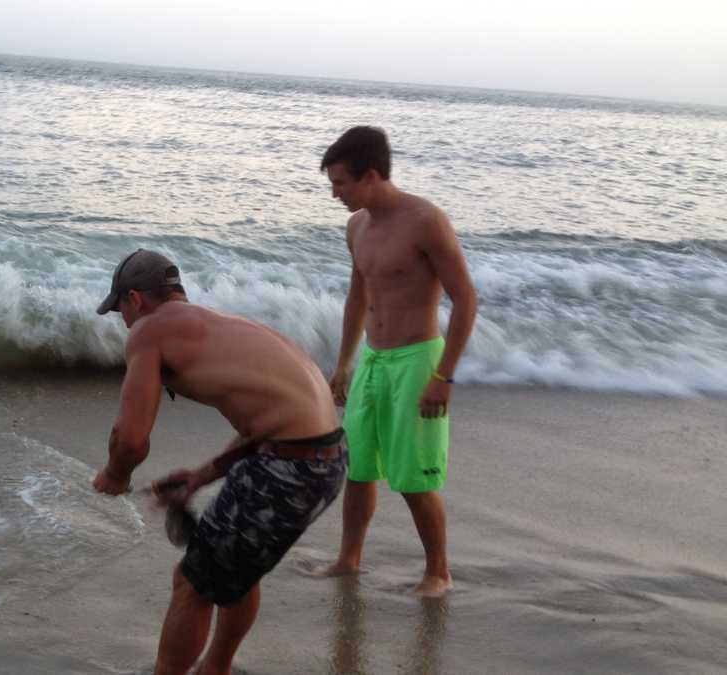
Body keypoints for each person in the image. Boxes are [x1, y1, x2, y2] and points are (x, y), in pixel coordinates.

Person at [91, 249, 347, 675]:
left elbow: (131, 440)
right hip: (322, 458)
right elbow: (274, 418)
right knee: (234, 571)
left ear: (135, 299)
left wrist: (114, 477)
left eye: (120, 311)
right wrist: (203, 475)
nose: (125, 323)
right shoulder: (226, 326)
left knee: (192, 583)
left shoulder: (149, 331)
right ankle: (216, 667)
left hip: (289, 467)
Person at [313, 126, 478, 597]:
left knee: (412, 476)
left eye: (341, 183)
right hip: (373, 360)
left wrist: (443, 376)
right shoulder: (357, 226)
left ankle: (438, 573)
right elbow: (356, 297)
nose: (335, 194)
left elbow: (466, 300)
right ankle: (348, 559)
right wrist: (343, 364)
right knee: (359, 467)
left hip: (418, 361)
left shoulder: (426, 221)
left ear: (371, 174)